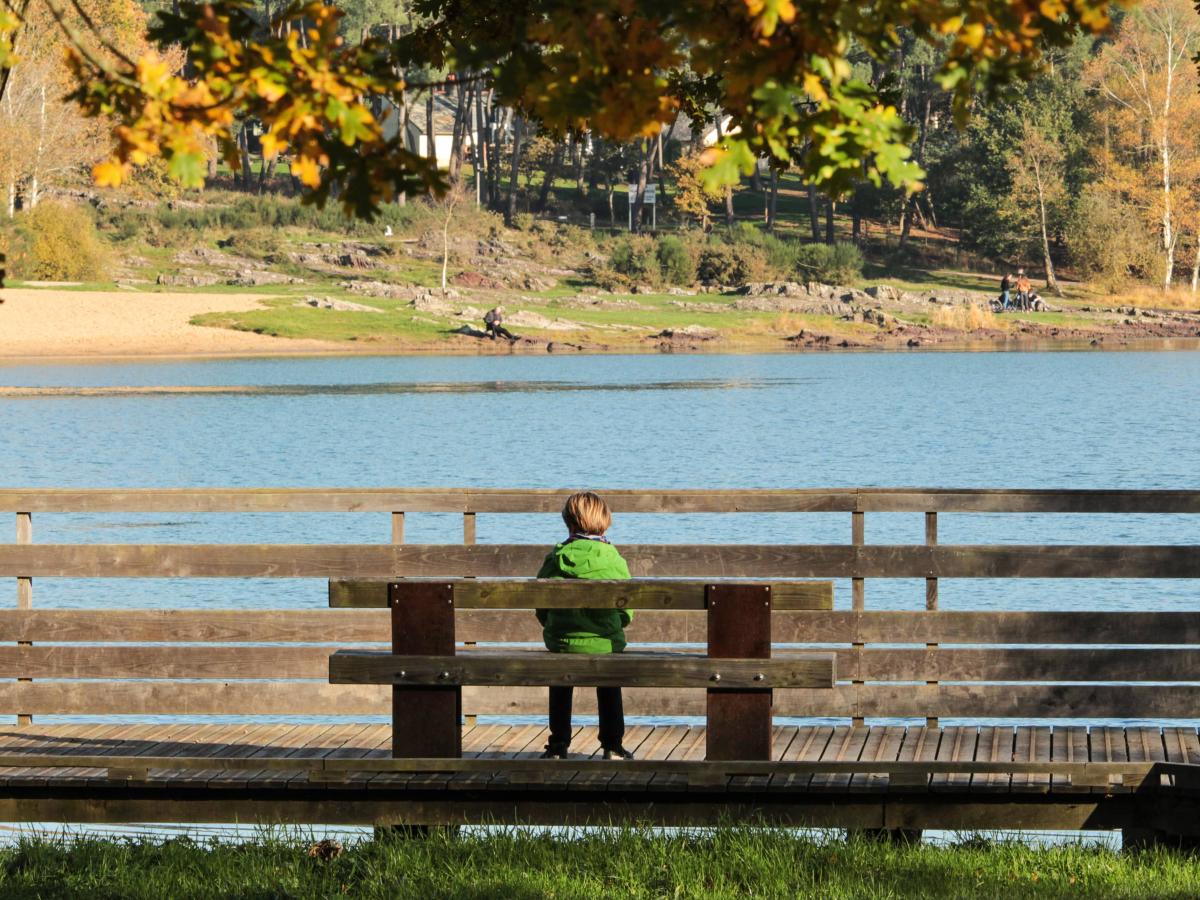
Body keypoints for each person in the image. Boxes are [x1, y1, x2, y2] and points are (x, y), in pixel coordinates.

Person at [535, 491, 635, 761]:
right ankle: (612, 745)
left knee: (560, 679)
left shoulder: (555, 558)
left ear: (569, 522)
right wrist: (617, 626)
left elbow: (540, 607)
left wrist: (556, 628)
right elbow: (627, 610)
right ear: (604, 522)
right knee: (609, 680)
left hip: (562, 642)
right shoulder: (613, 559)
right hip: (605, 642)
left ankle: (558, 745)